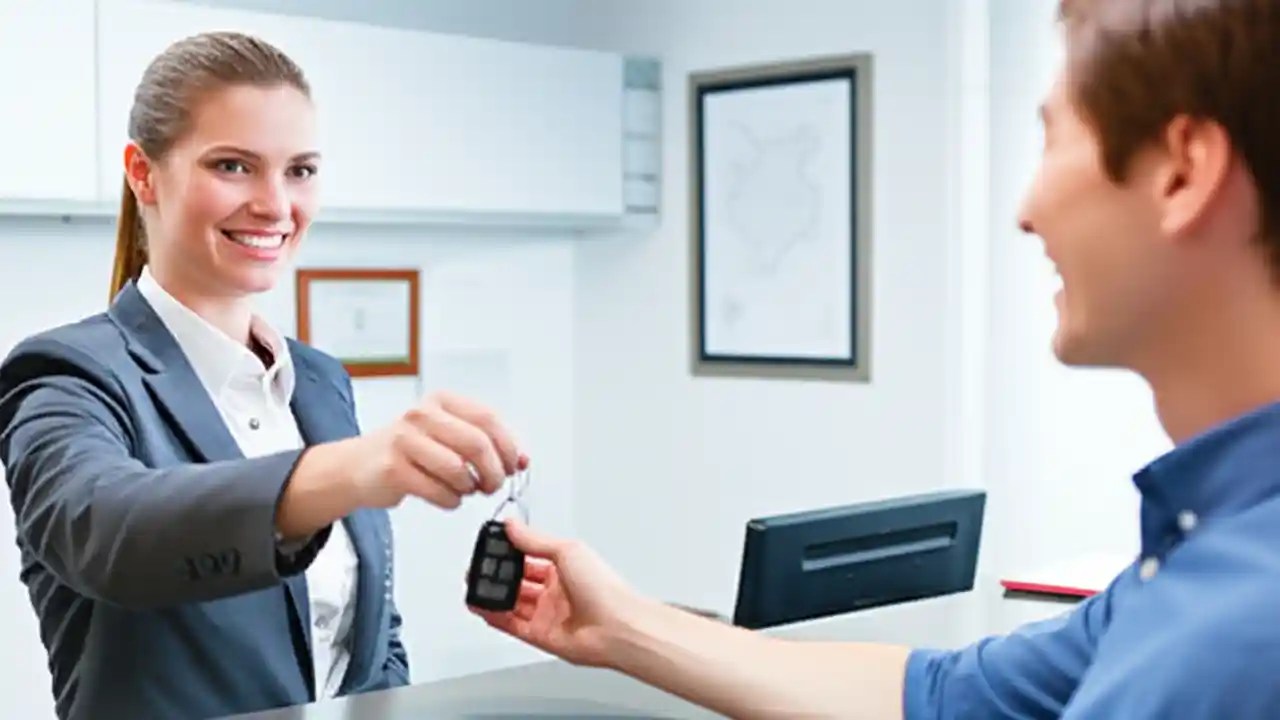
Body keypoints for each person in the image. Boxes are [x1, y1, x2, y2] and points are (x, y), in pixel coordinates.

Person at [470, 1, 1280, 717]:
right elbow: (942, 696)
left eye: (1053, 138)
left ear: (1183, 170)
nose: (1027, 211)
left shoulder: (1222, 643)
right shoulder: (1191, 570)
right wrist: (619, 624)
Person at [0, 31, 527, 720]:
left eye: (300, 170)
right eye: (234, 166)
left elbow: (368, 638)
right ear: (143, 173)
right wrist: (353, 470)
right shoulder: (68, 376)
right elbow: (109, 531)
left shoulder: (319, 382)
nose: (276, 205)